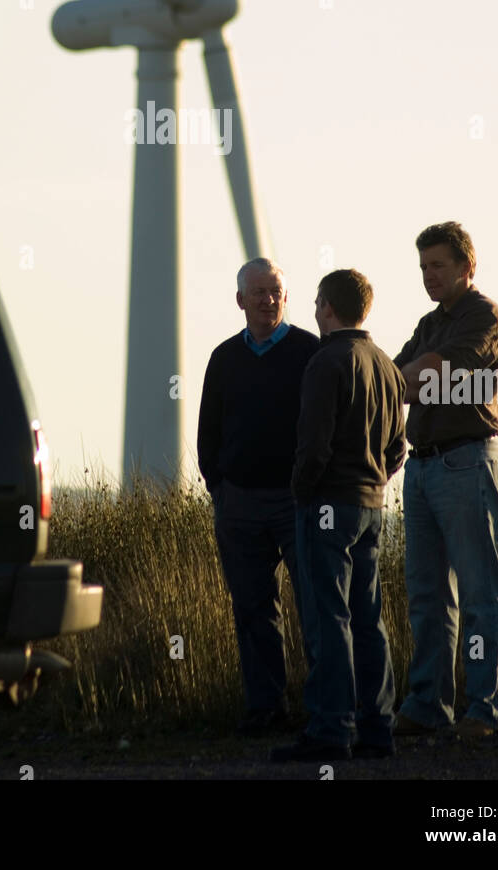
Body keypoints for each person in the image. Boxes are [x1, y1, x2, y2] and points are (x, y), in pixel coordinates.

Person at [271, 269, 406, 762]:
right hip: (372, 505)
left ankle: (331, 728)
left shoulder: (326, 361)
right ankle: (377, 728)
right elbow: (398, 448)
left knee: (328, 616)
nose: (312, 310)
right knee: (368, 617)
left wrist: (303, 494)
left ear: (327, 307)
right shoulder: (387, 366)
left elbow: (313, 446)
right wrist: (374, 481)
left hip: (327, 504)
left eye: (315, 302)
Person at [392, 221, 498, 739]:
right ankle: (428, 704)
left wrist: (418, 375)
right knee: (427, 595)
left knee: (481, 594)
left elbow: (434, 372)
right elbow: (398, 380)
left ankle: (488, 711)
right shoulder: (427, 322)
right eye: (422, 267)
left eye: (437, 265)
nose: (428, 275)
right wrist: (416, 376)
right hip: (420, 466)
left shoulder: (483, 315)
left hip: (465, 463)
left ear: (467, 266)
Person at [197, 257, 319, 735]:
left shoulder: (310, 352)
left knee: (315, 604)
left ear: (286, 299)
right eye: (259, 293)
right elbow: (209, 429)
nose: (268, 300)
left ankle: (324, 707)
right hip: (240, 503)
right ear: (240, 301)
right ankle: (266, 707)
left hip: (296, 501)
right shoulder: (224, 358)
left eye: (276, 292)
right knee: (251, 607)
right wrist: (218, 487)